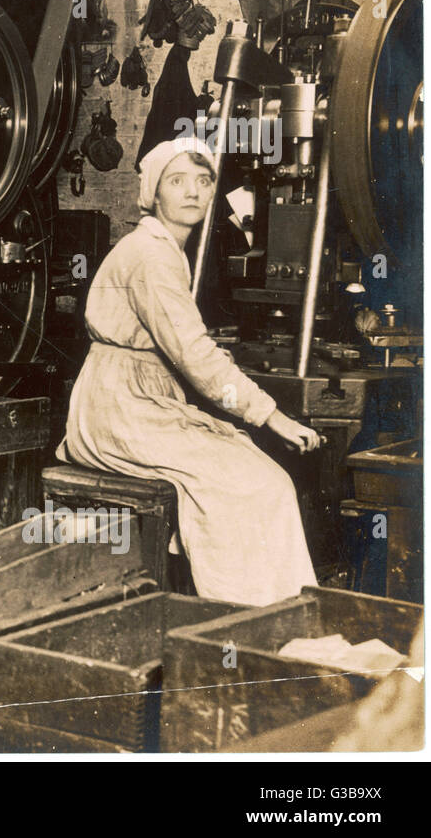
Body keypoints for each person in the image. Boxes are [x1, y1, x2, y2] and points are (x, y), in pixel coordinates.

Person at [56, 136, 320, 606]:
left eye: (203, 181)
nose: (193, 192)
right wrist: (271, 415)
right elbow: (194, 354)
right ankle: (247, 617)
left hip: (134, 401)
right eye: (177, 181)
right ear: (154, 193)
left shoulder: (161, 247)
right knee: (259, 482)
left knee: (250, 470)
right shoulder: (152, 253)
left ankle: (270, 612)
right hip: (120, 410)